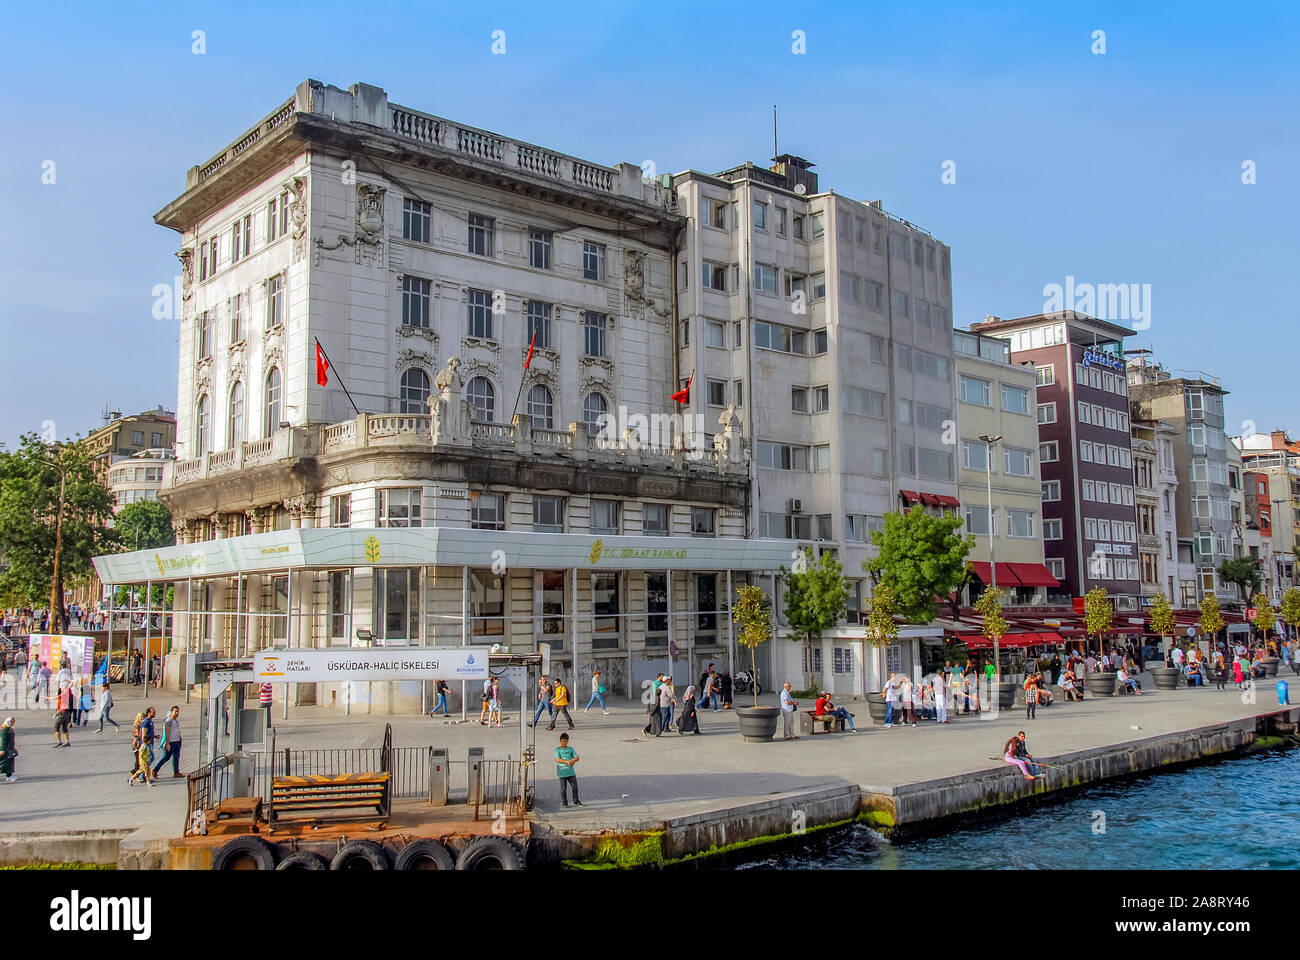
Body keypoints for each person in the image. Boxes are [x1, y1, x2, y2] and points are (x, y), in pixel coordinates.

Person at [152, 706, 183, 778]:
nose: (177, 713)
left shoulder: (176, 720)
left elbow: (177, 730)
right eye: (175, 711)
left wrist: (179, 737)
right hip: (171, 742)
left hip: (177, 741)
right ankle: (155, 770)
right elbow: (167, 732)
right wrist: (167, 743)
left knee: (176, 757)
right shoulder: (169, 721)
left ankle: (176, 772)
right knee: (166, 757)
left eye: (178, 712)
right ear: (171, 712)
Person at [554, 733, 581, 807]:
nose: (563, 742)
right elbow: (557, 759)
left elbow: (577, 758)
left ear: (567, 741)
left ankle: (576, 801)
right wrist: (566, 761)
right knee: (563, 788)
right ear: (560, 741)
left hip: (571, 772)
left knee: (575, 787)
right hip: (562, 772)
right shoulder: (558, 750)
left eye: (565, 741)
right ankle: (564, 802)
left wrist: (573, 761)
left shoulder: (570, 749)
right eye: (562, 741)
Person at [53, 682, 75, 747]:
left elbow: (63, 706)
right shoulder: (69, 694)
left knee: (56, 726)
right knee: (64, 727)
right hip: (67, 713)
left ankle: (59, 741)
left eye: (61, 687)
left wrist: (57, 713)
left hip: (63, 712)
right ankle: (67, 742)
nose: (60, 688)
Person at [0, 716, 15, 782]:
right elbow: (3, 740)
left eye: (13, 721)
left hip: (10, 749)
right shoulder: (5, 729)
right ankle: (9, 776)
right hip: (6, 749)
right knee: (4, 763)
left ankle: (9, 776)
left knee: (10, 762)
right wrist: (2, 750)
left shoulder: (10, 729)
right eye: (11, 721)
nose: (12, 723)